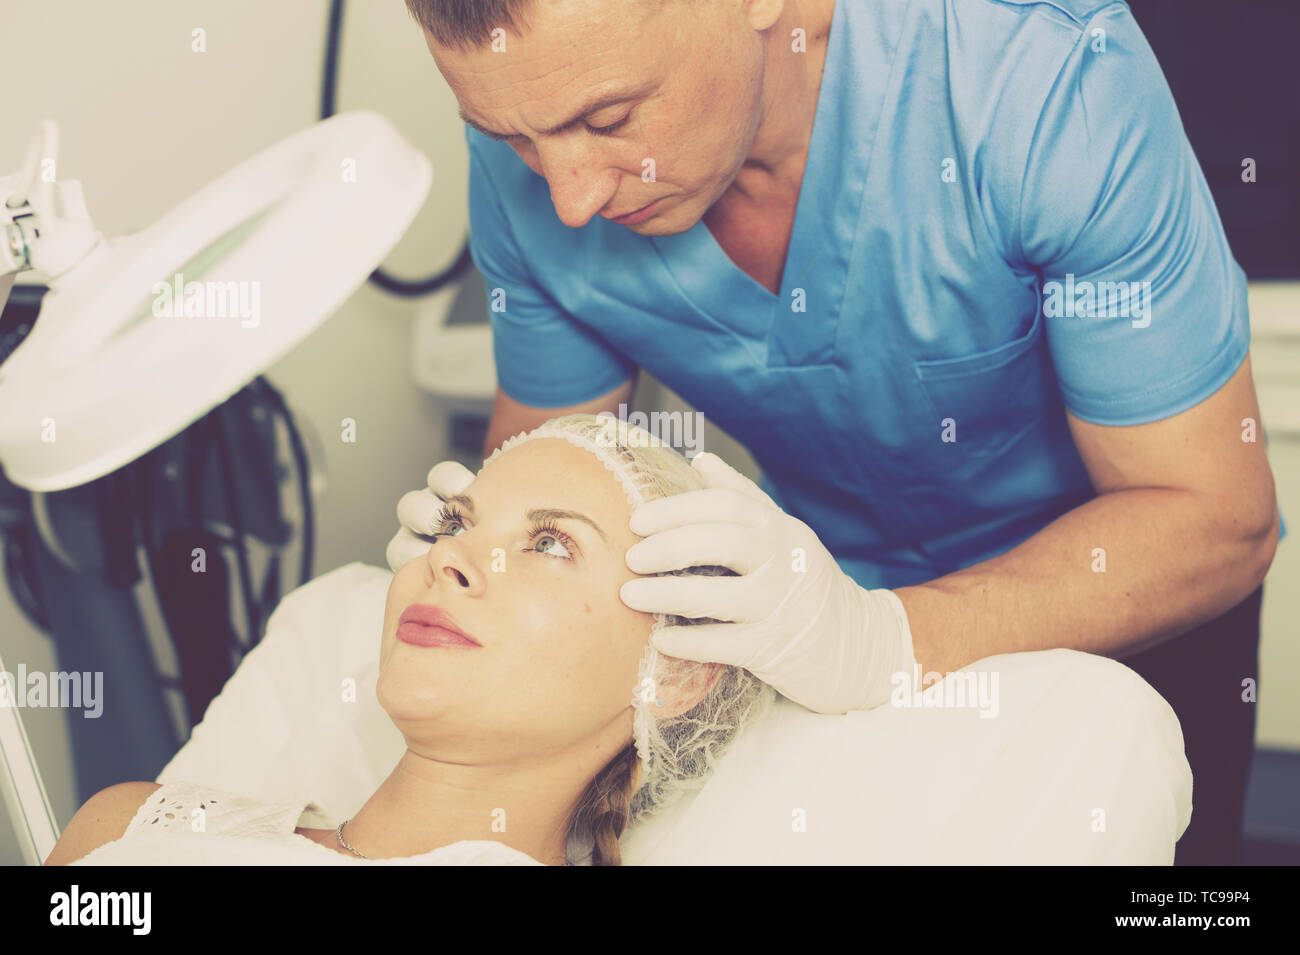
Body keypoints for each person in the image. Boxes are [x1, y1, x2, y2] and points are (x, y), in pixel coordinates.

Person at [389, 0, 1283, 864]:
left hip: (1126, 595)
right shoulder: (536, 136)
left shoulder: (1037, 82)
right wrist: (481, 539)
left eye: (610, 116)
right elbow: (551, 473)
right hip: (805, 616)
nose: (569, 199)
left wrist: (880, 641)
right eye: (511, 137)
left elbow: (1211, 516)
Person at [43, 414, 774, 866]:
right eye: (456, 523)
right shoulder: (125, 823)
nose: (445, 556)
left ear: (673, 673)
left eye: (549, 543)